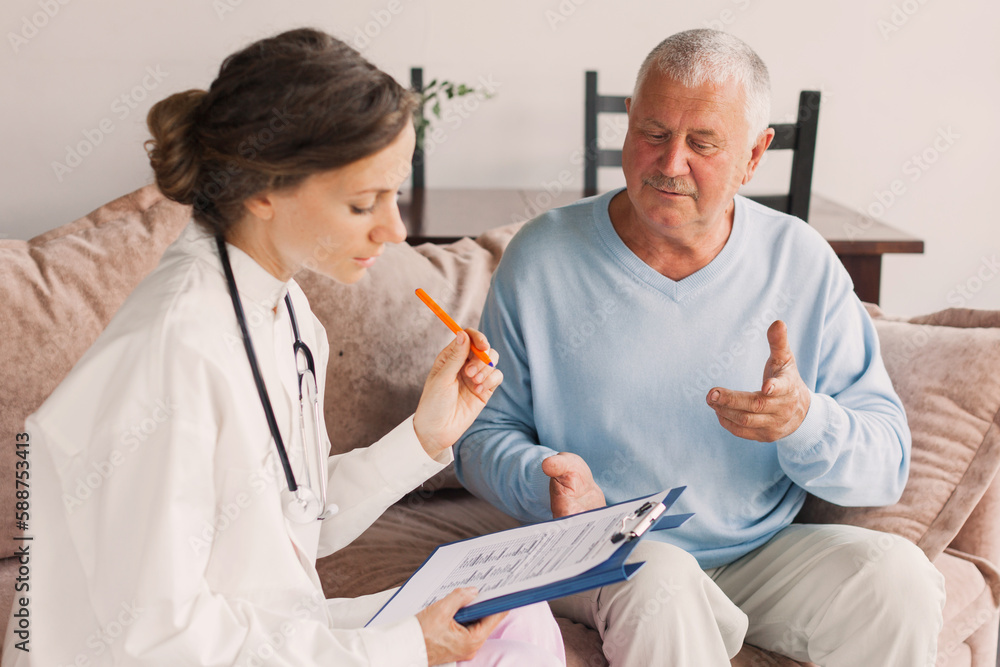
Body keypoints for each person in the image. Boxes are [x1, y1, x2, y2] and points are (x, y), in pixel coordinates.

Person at [2, 28, 565, 667]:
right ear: (262, 190)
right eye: (362, 203)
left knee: (514, 616)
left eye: (395, 194)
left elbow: (294, 522)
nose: (396, 229)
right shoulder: (173, 355)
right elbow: (158, 636)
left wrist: (424, 437)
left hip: (267, 633)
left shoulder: (285, 309)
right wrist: (404, 649)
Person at [455, 28, 945, 666]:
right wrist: (545, 481)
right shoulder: (543, 255)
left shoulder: (800, 260)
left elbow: (887, 464)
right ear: (628, 124)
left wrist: (804, 422)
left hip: (760, 553)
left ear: (754, 154)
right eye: (652, 133)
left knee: (898, 578)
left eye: (703, 144)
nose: (669, 163)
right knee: (662, 581)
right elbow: (478, 439)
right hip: (604, 549)